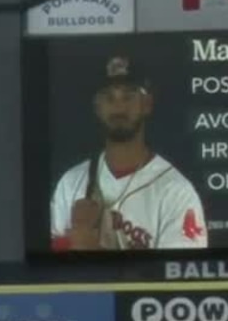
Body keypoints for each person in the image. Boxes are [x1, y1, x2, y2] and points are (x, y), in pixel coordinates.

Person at [49, 54, 207, 251]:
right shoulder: (70, 183)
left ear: (146, 104)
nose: (119, 107)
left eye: (128, 96)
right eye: (109, 97)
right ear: (97, 107)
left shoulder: (176, 192)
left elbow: (179, 271)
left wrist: (84, 243)